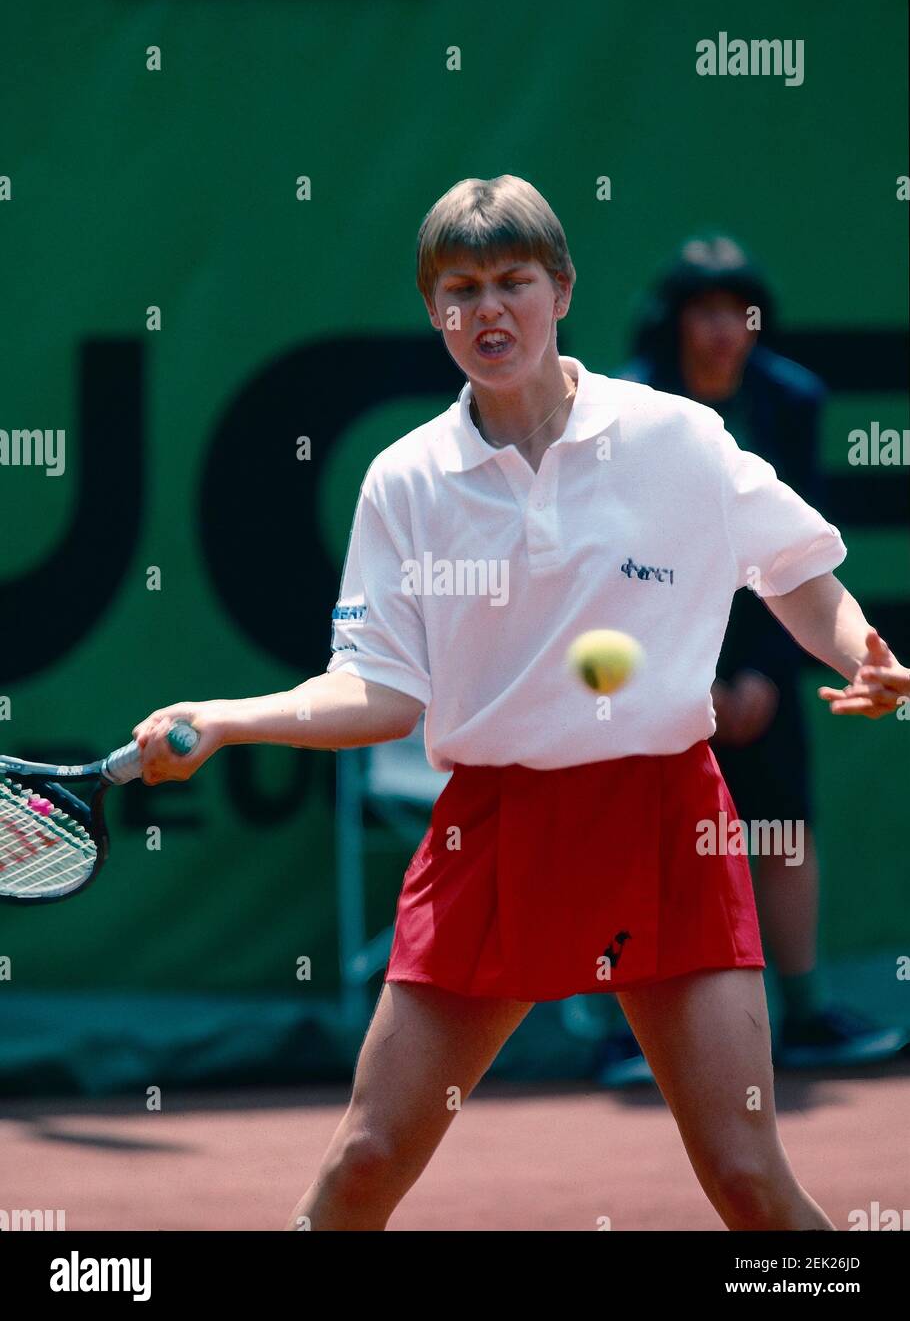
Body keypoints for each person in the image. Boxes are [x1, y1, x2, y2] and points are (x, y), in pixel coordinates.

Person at [131, 177, 906, 1231]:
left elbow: (795, 572)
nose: (486, 310)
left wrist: (859, 645)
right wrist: (227, 717)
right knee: (362, 1164)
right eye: (458, 289)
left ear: (562, 290)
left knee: (745, 1176)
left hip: (665, 819)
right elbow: (379, 689)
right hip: (493, 835)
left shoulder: (674, 435)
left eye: (511, 282)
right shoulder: (406, 482)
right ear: (433, 309)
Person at [593, 236, 907, 1087]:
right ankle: (632, 1032)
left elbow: (795, 549)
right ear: (676, 323)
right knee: (648, 837)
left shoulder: (790, 400)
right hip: (654, 659)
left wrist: (764, 673)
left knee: (783, 827)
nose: (725, 330)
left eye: (739, 312)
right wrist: (692, 677)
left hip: (764, 661)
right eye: (706, 312)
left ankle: (803, 1016)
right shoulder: (629, 409)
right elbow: (625, 560)